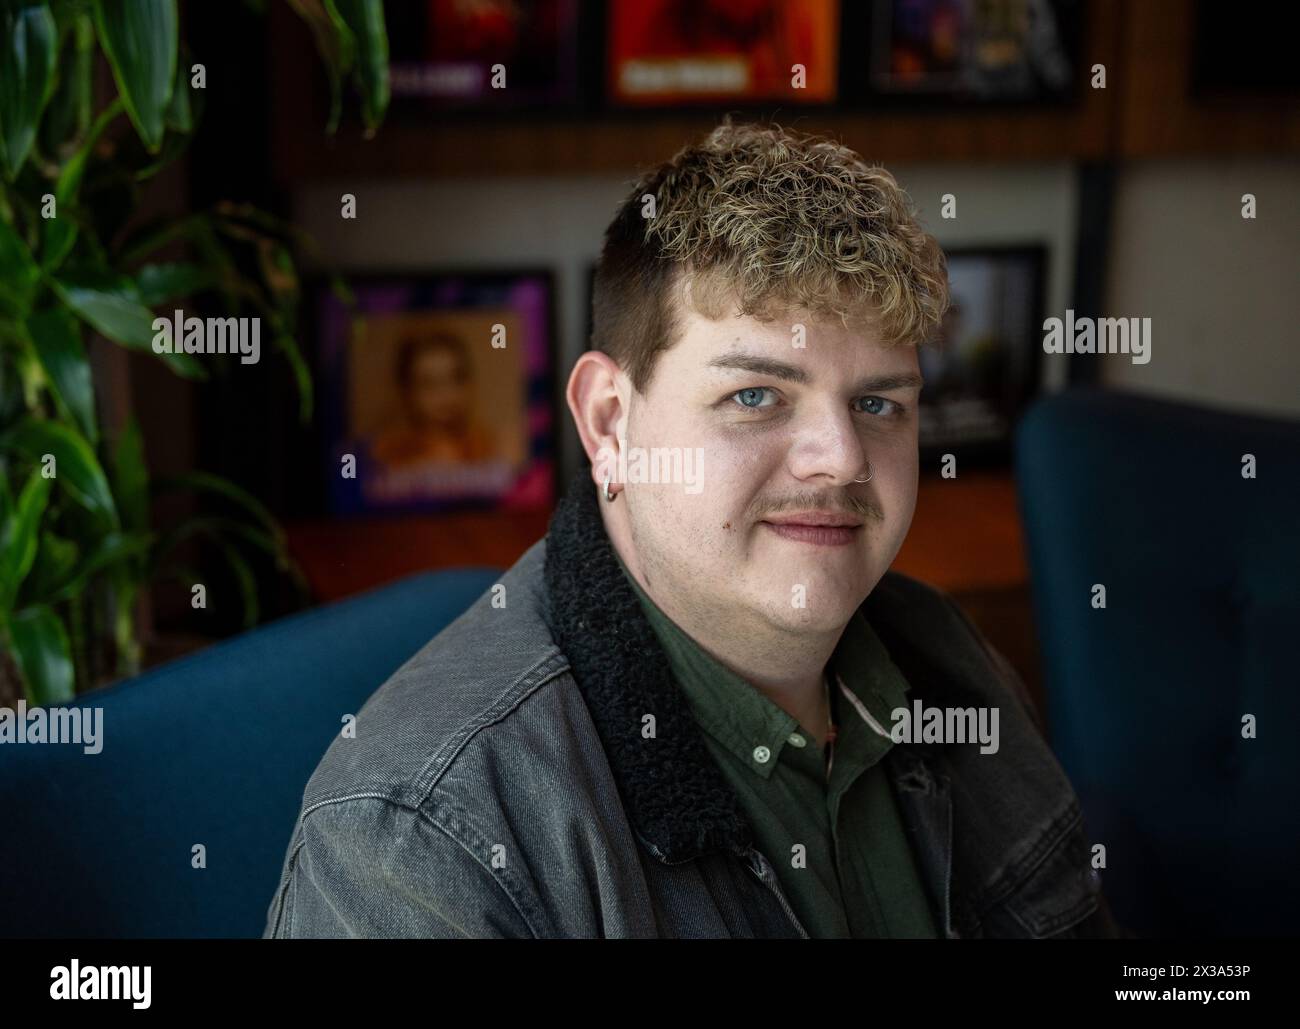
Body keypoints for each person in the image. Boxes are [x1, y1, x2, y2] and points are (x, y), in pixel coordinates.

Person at [264, 119, 1121, 938]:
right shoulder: (420, 842)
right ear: (609, 422)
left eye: (877, 402)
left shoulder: (947, 657)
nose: (842, 458)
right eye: (755, 396)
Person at [369, 330, 496, 467]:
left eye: (456, 379)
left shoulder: (486, 447)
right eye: (429, 383)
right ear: (407, 391)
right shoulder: (385, 453)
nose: (446, 393)